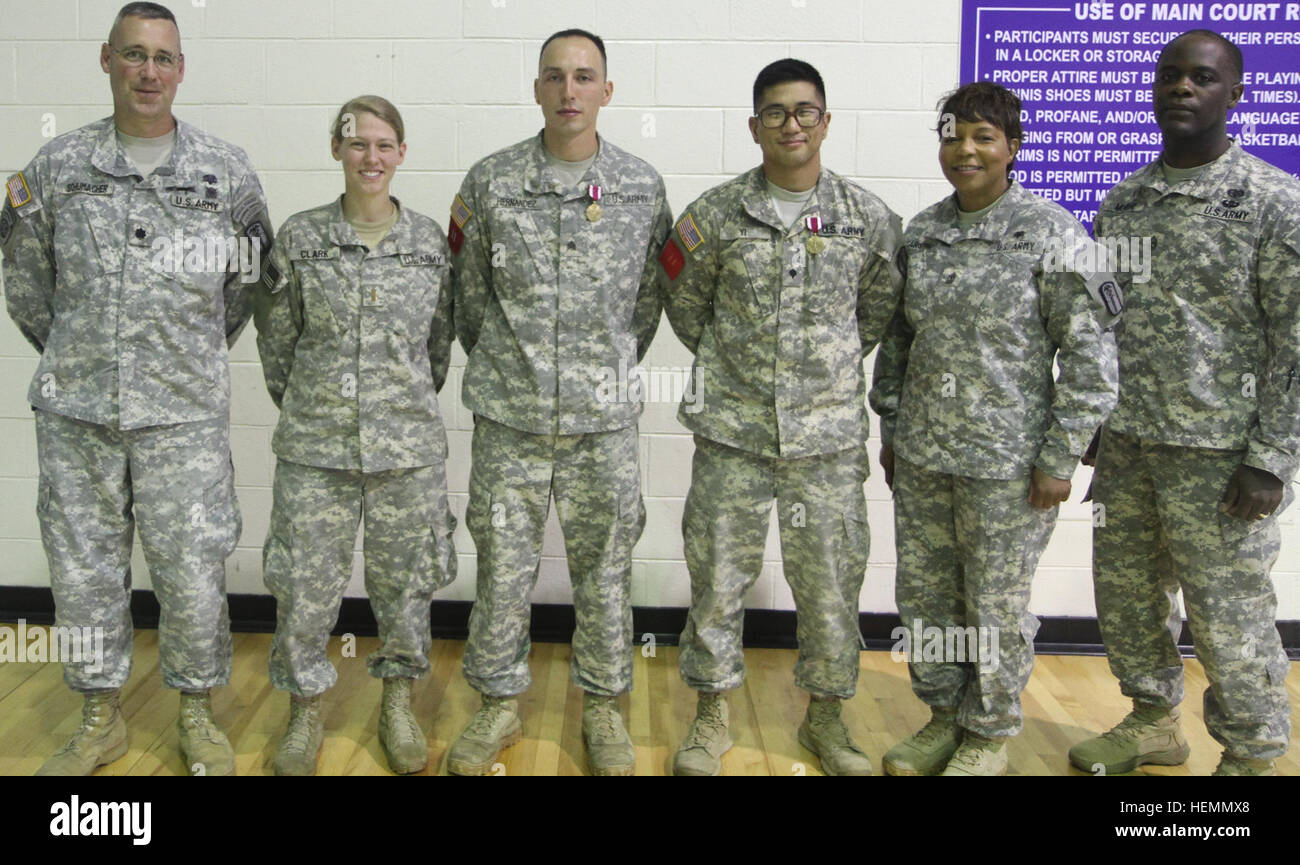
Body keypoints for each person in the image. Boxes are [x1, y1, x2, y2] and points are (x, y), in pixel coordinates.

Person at [1, 2, 271, 776]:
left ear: (181, 69)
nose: (148, 72)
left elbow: (246, 287)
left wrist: (180, 357)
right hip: (77, 413)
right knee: (82, 570)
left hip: (182, 418)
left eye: (163, 58)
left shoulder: (226, 172)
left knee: (190, 568)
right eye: (133, 55)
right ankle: (98, 717)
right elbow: (25, 286)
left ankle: (196, 714)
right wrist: (83, 354)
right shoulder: (56, 168)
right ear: (106, 60)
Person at [659, 59, 903, 776]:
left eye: (804, 111)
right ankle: (710, 718)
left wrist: (815, 374)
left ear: (825, 121)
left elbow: (876, 313)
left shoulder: (869, 219)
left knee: (830, 586)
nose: (790, 124)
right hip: (732, 434)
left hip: (825, 441)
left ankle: (826, 721)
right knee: (717, 581)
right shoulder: (713, 216)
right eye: (775, 112)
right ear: (754, 125)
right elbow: (685, 307)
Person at [869, 82, 1120, 776]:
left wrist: (1061, 455)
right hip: (923, 457)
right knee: (925, 599)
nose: (966, 149)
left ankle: (988, 731)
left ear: (1013, 146)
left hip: (1010, 468)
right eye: (953, 135)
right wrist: (891, 424)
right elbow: (898, 342)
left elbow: (1093, 358)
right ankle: (943, 716)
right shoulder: (923, 231)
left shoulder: (1052, 232)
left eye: (984, 136)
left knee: (995, 609)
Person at [1068, 29, 1298, 777]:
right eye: (1170, 75)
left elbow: (1297, 340)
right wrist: (1096, 420)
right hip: (1130, 445)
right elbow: (1102, 321)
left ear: (1236, 94)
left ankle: (1255, 754)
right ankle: (1152, 722)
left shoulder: (1273, 202)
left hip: (1224, 456)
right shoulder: (1124, 201)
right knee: (1128, 601)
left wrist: (1271, 457)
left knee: (1228, 618)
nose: (1182, 88)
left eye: (1202, 77)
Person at [447, 28, 671, 776]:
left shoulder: (641, 186)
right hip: (509, 417)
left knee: (605, 572)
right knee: (503, 568)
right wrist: (516, 368)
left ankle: (604, 708)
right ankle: (496, 705)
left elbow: (649, 300)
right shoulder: (491, 182)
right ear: (537, 89)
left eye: (584, 77)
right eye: (555, 77)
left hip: (601, 423)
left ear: (608, 91)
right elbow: (467, 297)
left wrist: (598, 370)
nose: (569, 91)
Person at [253, 96, 457, 776]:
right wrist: (314, 406)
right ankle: (303, 712)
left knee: (406, 585)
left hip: (407, 452)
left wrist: (394, 405)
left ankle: (397, 703)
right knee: (305, 586)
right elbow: (277, 341)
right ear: (335, 150)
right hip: (316, 450)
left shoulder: (429, 243)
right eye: (356, 143)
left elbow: (437, 346)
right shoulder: (301, 239)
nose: (370, 156)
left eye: (383, 144)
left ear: (402, 153)